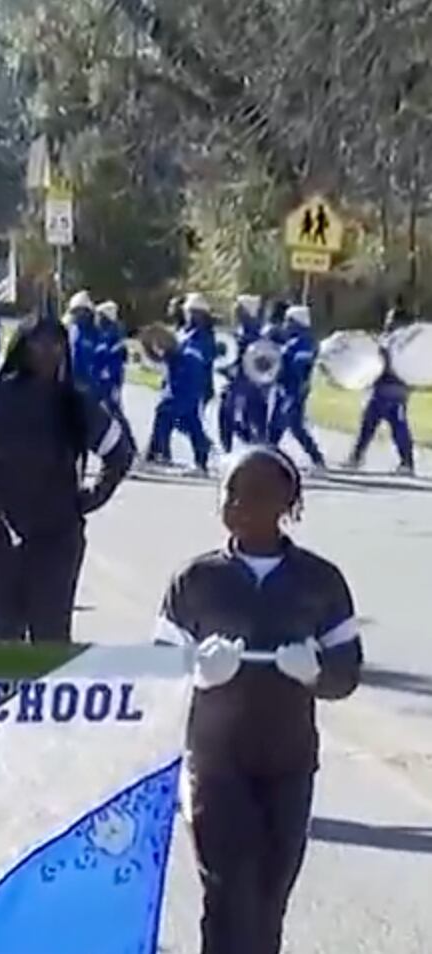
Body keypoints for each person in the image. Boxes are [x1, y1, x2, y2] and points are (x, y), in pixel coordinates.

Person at [154, 446, 362, 954]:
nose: (239, 505)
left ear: (287, 503)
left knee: (270, 898)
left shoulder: (321, 582)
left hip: (288, 764)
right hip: (216, 763)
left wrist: (316, 673)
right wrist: (196, 674)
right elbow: (159, 668)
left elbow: (347, 671)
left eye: (255, 494)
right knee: (229, 891)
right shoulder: (195, 580)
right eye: (230, 493)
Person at [0, 315, 134, 642]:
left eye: (56, 343)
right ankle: (1, 695)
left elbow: (120, 453)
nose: (47, 351)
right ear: (22, 347)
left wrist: (92, 497)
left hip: (57, 537)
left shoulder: (74, 402)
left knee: (51, 635)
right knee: (3, 632)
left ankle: (47, 694)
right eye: (38, 342)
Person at [147, 293, 216, 474]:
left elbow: (197, 361)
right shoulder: (185, 333)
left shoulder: (204, 338)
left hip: (189, 386)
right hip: (177, 383)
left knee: (164, 414)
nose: (188, 315)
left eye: (192, 313)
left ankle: (158, 455)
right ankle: (201, 460)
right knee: (191, 423)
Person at [345, 307, 417, 475]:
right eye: (388, 319)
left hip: (395, 391)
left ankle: (407, 463)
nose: (388, 323)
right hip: (380, 390)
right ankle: (356, 458)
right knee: (368, 425)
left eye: (391, 320)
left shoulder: (403, 343)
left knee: (398, 429)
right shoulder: (386, 339)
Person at [268, 305, 326, 471]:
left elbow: (298, 367)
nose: (285, 325)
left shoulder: (303, 343)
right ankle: (269, 456)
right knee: (275, 425)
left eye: (289, 321)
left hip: (294, 390)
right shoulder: (296, 341)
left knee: (295, 426)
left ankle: (318, 460)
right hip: (285, 389)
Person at [218, 294, 268, 452]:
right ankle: (251, 447)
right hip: (240, 383)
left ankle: (236, 450)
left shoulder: (251, 334)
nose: (235, 311)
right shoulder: (245, 331)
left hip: (246, 384)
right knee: (237, 419)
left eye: (239, 308)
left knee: (232, 418)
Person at [95, 300, 132, 438]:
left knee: (114, 410)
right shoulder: (102, 333)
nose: (97, 318)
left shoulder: (115, 335)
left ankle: (129, 442)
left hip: (112, 379)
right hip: (102, 378)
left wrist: (109, 374)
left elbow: (118, 358)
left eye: (100, 315)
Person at [65, 290, 100, 394]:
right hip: (71, 382)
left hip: (90, 384)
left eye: (82, 310)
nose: (79, 314)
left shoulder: (95, 333)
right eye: (76, 311)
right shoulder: (70, 329)